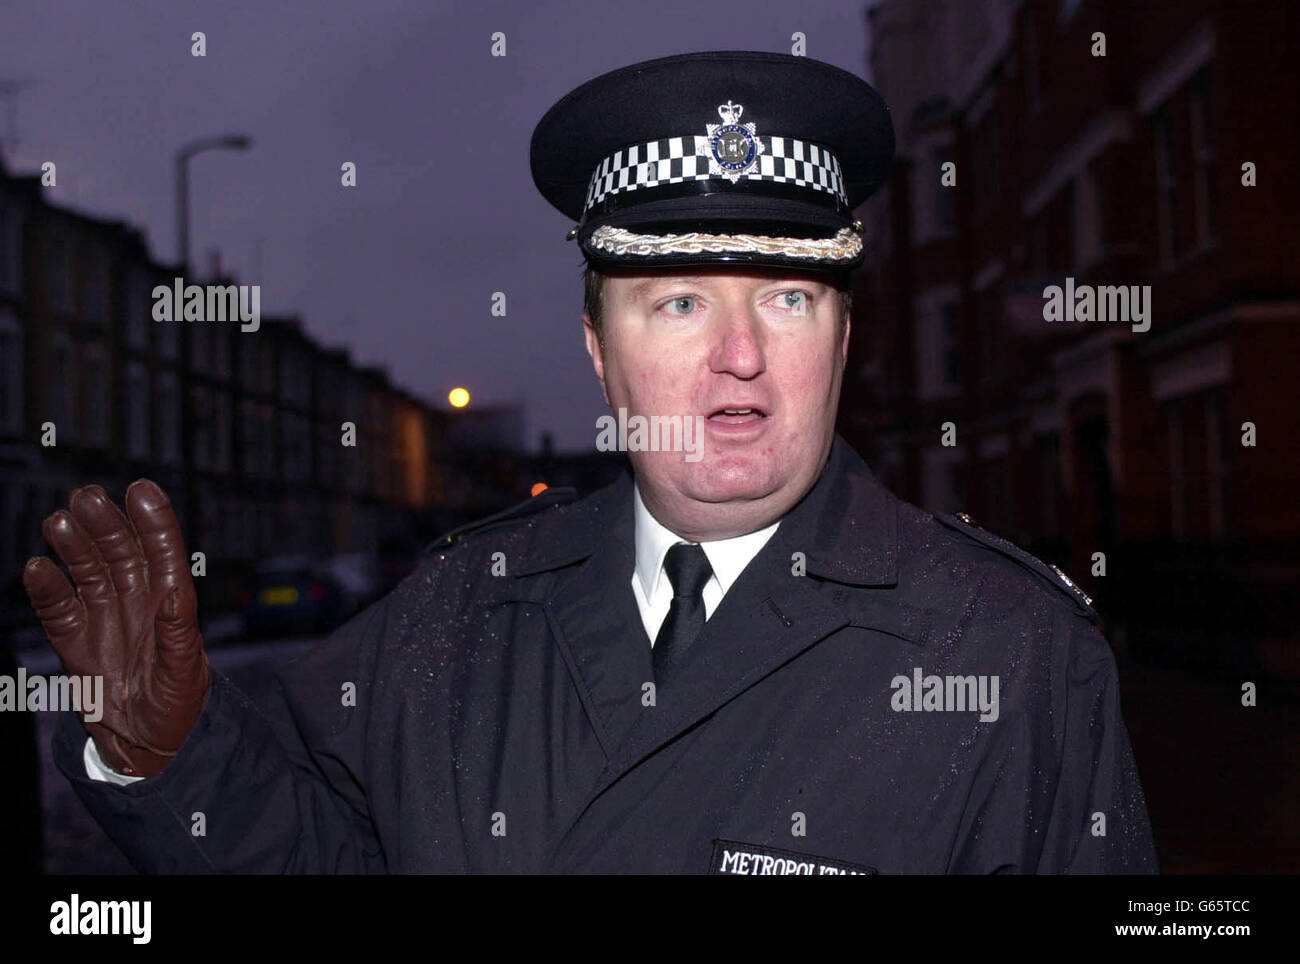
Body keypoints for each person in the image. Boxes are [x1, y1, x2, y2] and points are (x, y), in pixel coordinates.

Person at [22, 51, 1157, 873]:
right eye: (676, 301)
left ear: (844, 340)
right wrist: (168, 756)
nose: (741, 356)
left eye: (788, 297)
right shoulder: (453, 613)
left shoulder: (1014, 658)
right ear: (598, 356)